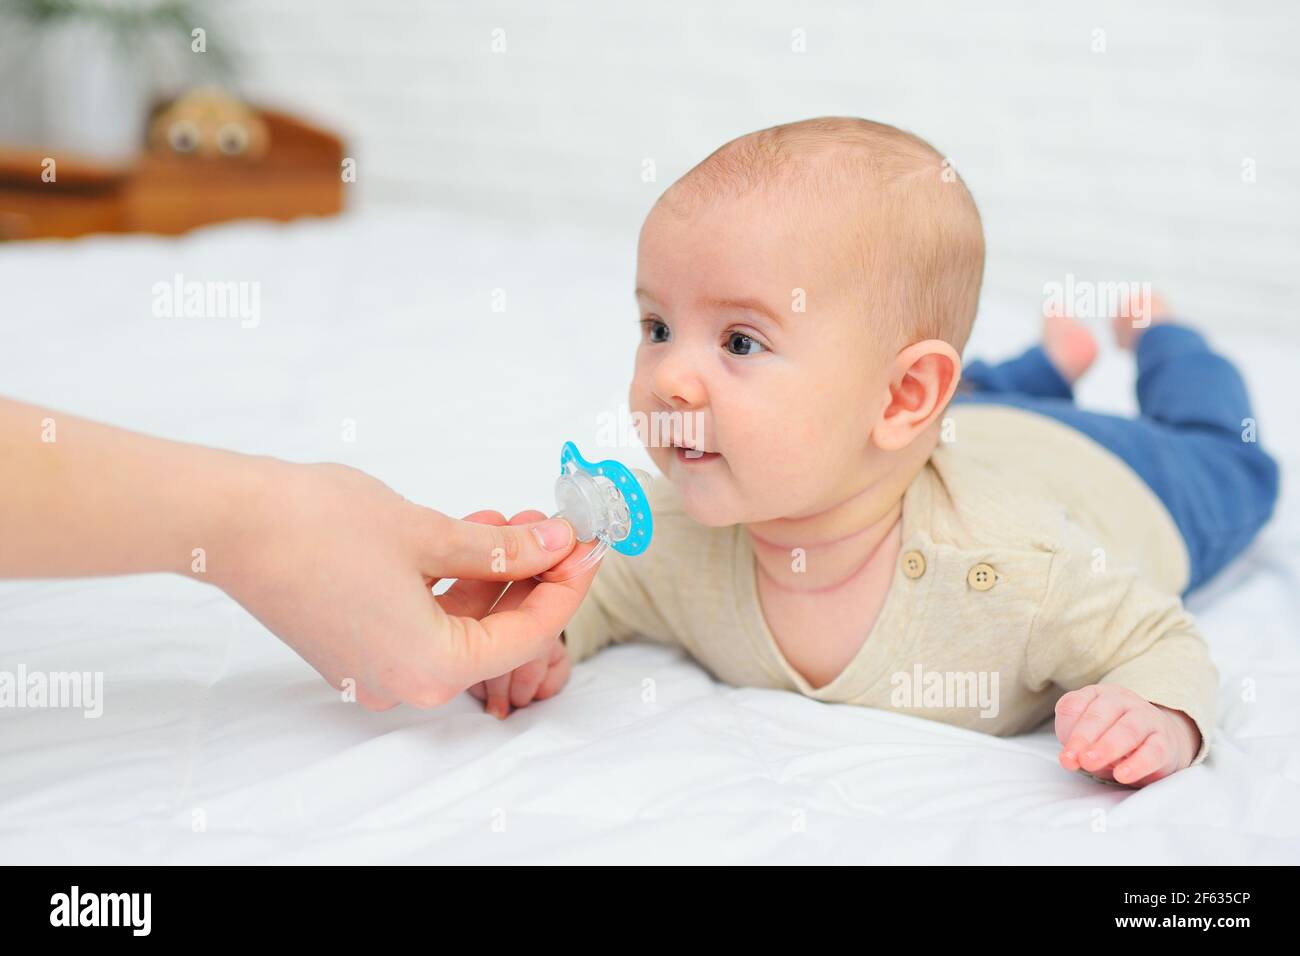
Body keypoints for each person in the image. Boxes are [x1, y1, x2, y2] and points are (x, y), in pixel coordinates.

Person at [0, 397, 599, 711]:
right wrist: (542, 637)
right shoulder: (664, 515)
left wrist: (263, 531)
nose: (668, 376)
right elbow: (625, 588)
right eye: (655, 329)